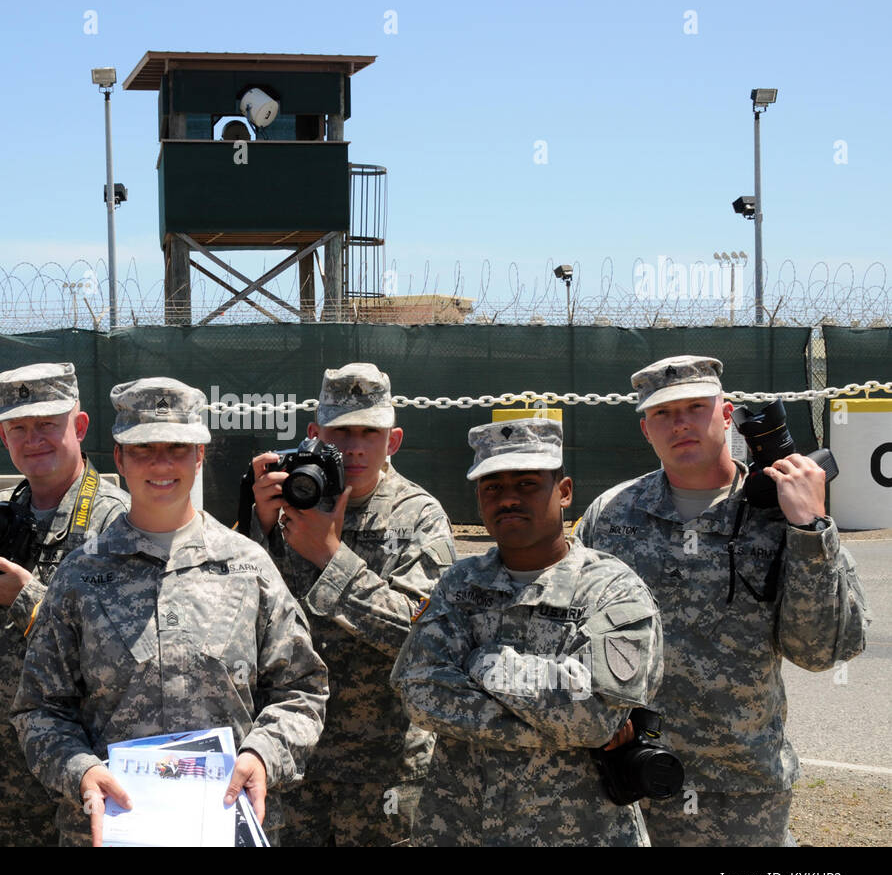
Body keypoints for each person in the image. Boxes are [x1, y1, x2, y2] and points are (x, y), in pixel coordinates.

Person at [14, 377, 329, 847]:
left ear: (200, 455)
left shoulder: (247, 566)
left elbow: (302, 690)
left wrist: (263, 754)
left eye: (177, 448)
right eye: (143, 449)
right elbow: (39, 707)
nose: (161, 463)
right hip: (112, 830)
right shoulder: (81, 574)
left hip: (228, 825)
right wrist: (81, 771)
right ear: (119, 458)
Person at [575, 355, 869, 846]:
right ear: (646, 429)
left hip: (742, 790)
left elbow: (822, 652)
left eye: (695, 407)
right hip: (626, 779)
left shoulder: (780, 511)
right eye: (664, 414)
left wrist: (810, 529)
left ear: (727, 414)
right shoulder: (611, 515)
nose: (681, 423)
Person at [391, 417, 663, 846]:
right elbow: (420, 694)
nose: (508, 499)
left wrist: (483, 664)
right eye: (492, 487)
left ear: (565, 491)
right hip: (462, 829)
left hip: (581, 833)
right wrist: (557, 726)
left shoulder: (612, 588)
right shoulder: (459, 584)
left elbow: (594, 715)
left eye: (527, 484)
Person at [248, 363, 455, 846]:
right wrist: (258, 525)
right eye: (342, 432)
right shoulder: (287, 503)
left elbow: (421, 637)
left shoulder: (419, 515)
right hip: (292, 758)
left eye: (370, 432)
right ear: (315, 435)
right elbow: (244, 620)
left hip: (384, 768)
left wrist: (329, 556)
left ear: (394, 440)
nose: (355, 447)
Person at [0, 362, 129, 847]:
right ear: (3, 437)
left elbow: (128, 644)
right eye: (18, 427)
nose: (33, 438)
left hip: (76, 775)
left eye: (47, 424)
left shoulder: (116, 520)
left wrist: (28, 601)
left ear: (79, 427)